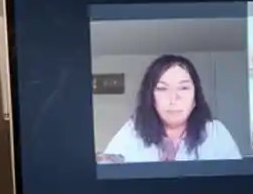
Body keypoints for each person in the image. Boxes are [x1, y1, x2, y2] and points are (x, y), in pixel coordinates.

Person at [99, 54, 241, 163]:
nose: (173, 99)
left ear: (195, 97)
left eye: (184, 88)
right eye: (162, 88)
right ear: (151, 98)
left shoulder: (215, 132)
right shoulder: (132, 132)